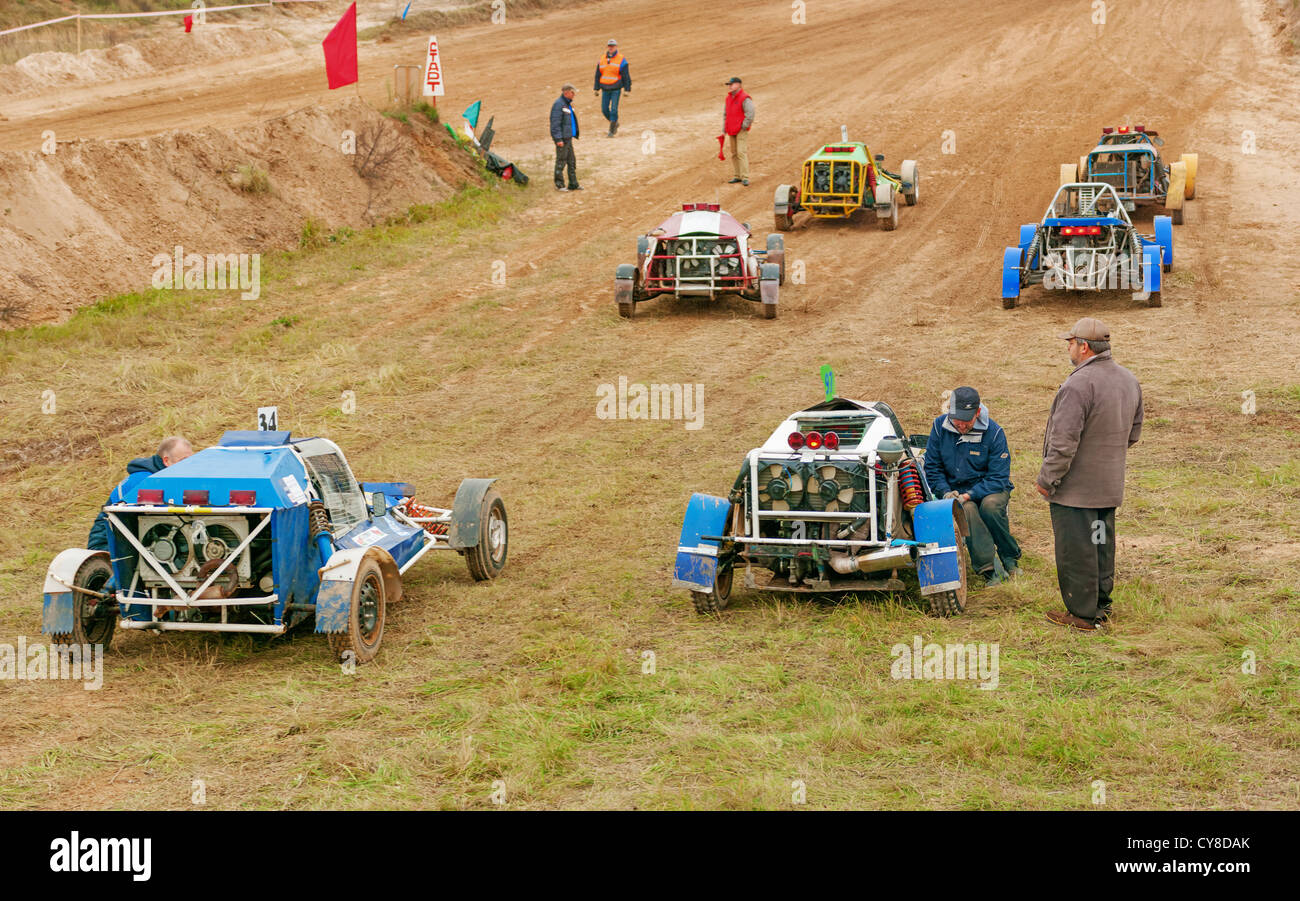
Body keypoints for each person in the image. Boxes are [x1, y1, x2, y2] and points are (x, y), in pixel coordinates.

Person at [1037, 318, 1143, 631]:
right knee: (1100, 544)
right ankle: (1100, 606)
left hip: (1076, 491)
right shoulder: (1128, 379)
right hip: (1108, 487)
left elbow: (1063, 443)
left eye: (1070, 343)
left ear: (1084, 347)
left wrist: (1047, 479)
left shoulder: (1078, 384)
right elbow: (1133, 433)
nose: (1067, 348)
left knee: (1076, 550)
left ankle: (1082, 615)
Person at [923, 386, 1021, 586]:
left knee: (990, 507)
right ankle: (988, 568)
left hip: (990, 488)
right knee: (966, 510)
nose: (960, 424)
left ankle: (1009, 556)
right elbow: (932, 467)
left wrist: (970, 494)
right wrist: (944, 491)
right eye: (956, 418)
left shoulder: (994, 433)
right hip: (954, 490)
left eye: (966, 420)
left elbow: (998, 477)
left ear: (978, 413)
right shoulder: (938, 427)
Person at [87, 436, 194, 551]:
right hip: (108, 547)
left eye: (191, 461)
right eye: (183, 461)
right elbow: (167, 518)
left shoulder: (167, 478)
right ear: (166, 461)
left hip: (133, 542)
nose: (189, 466)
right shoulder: (143, 480)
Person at [593, 38, 630, 138]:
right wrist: (596, 88)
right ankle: (614, 122)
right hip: (605, 88)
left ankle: (611, 131)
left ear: (616, 47)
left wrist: (627, 89)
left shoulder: (621, 59)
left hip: (615, 89)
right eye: (609, 46)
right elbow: (598, 74)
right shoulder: (602, 59)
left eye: (612, 46)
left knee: (614, 110)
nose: (611, 48)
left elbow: (626, 75)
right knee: (604, 110)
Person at [722, 76, 754, 186]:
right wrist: (724, 129)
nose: (730, 86)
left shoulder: (745, 98)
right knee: (734, 153)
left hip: (740, 129)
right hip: (731, 129)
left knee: (741, 152)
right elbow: (726, 115)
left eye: (732, 84)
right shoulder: (728, 98)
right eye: (729, 85)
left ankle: (745, 177)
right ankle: (737, 176)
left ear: (739, 85)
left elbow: (750, 114)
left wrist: (744, 126)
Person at [550, 83, 581, 192]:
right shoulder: (559, 105)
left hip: (568, 138)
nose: (574, 95)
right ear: (566, 92)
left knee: (571, 161)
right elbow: (555, 123)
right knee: (561, 162)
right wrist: (558, 139)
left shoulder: (566, 104)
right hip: (562, 139)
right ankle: (559, 185)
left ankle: (573, 184)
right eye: (573, 92)